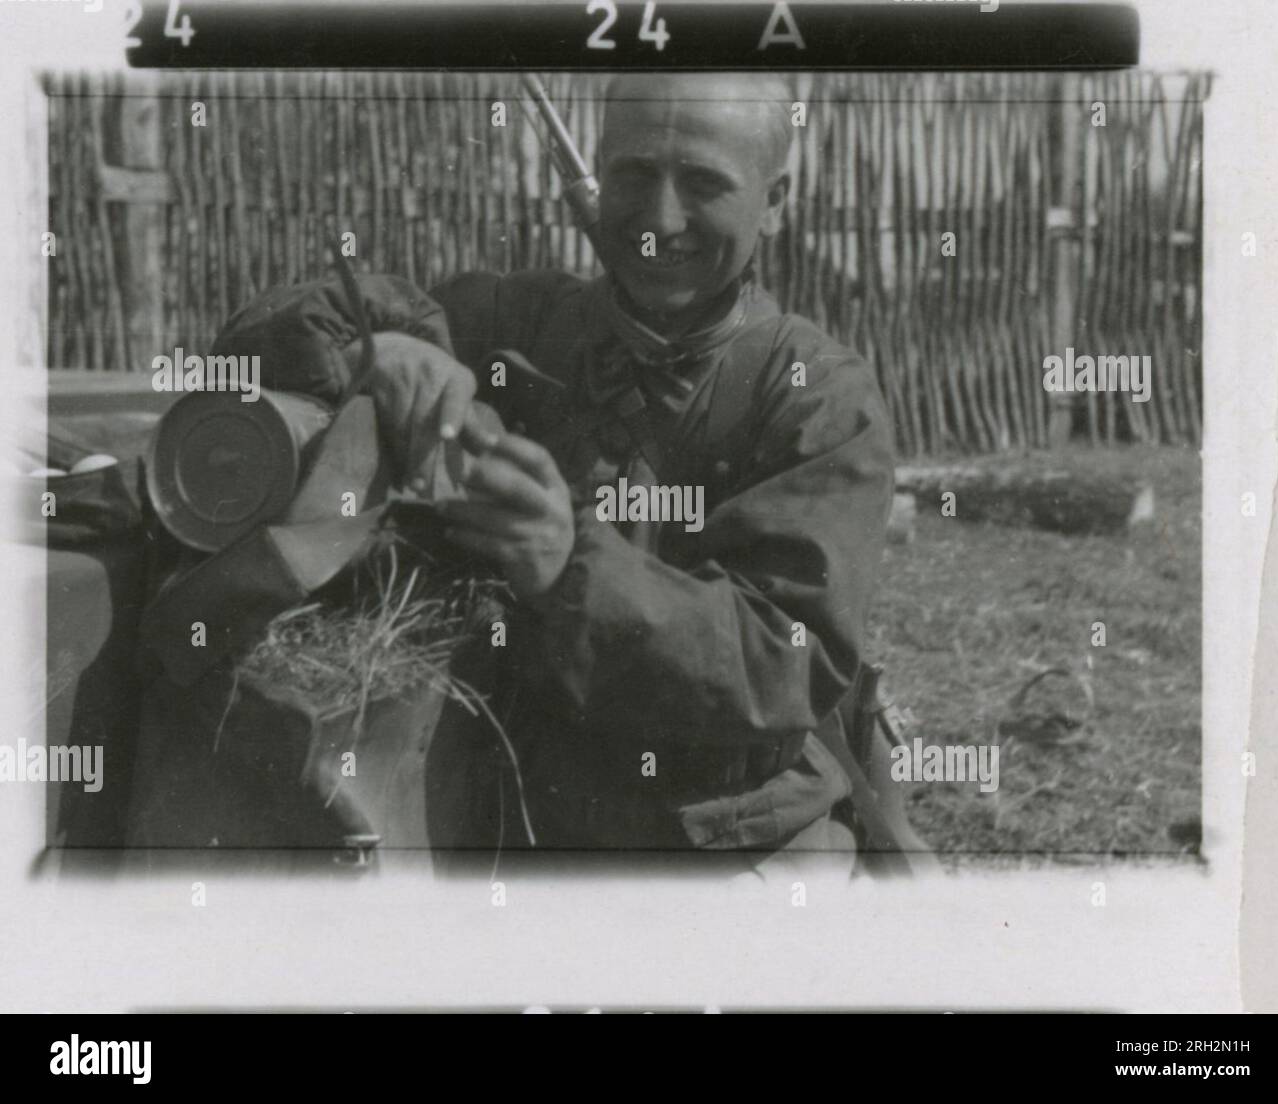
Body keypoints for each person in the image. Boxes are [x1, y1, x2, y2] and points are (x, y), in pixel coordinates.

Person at [216, 73, 922, 877]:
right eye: (632, 175)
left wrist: (569, 564)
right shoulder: (514, 320)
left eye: (702, 184)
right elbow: (252, 340)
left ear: (777, 201)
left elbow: (785, 661)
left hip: (723, 843)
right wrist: (371, 352)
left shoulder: (818, 396)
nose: (659, 221)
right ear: (594, 170)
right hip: (507, 815)